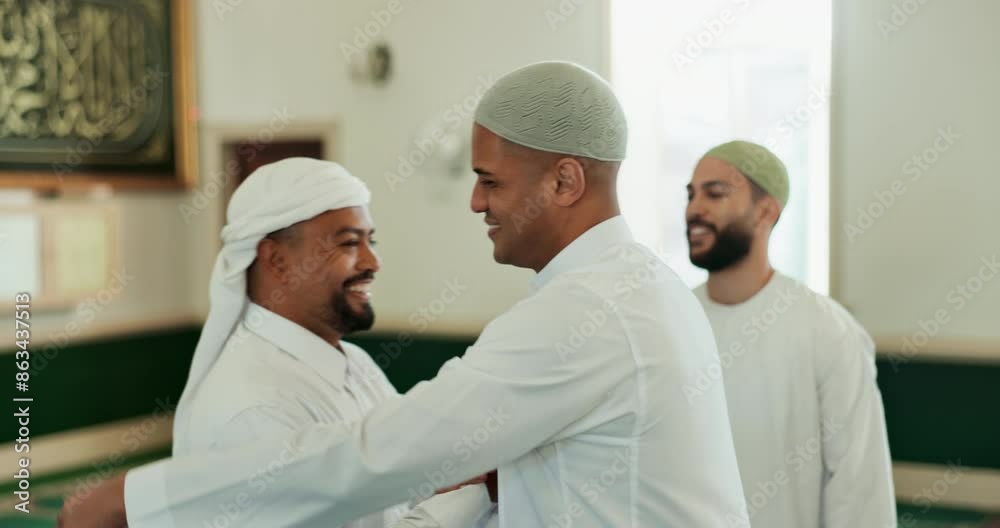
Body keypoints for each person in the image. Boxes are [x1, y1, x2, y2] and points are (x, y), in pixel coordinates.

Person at [58, 61, 749, 528]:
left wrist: (137, 498)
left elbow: (378, 455)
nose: (475, 200)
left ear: (564, 182)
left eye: (491, 180)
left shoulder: (586, 313)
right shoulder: (640, 287)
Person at [166, 157, 495, 527]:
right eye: (349, 244)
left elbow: (409, 484)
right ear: (277, 260)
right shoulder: (252, 409)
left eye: (371, 241)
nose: (373, 261)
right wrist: (472, 497)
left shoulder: (354, 364)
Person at [685, 140, 896, 527]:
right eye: (691, 194)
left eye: (714, 194)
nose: (695, 209)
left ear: (765, 212)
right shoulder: (673, 322)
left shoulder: (827, 330)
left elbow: (860, 488)